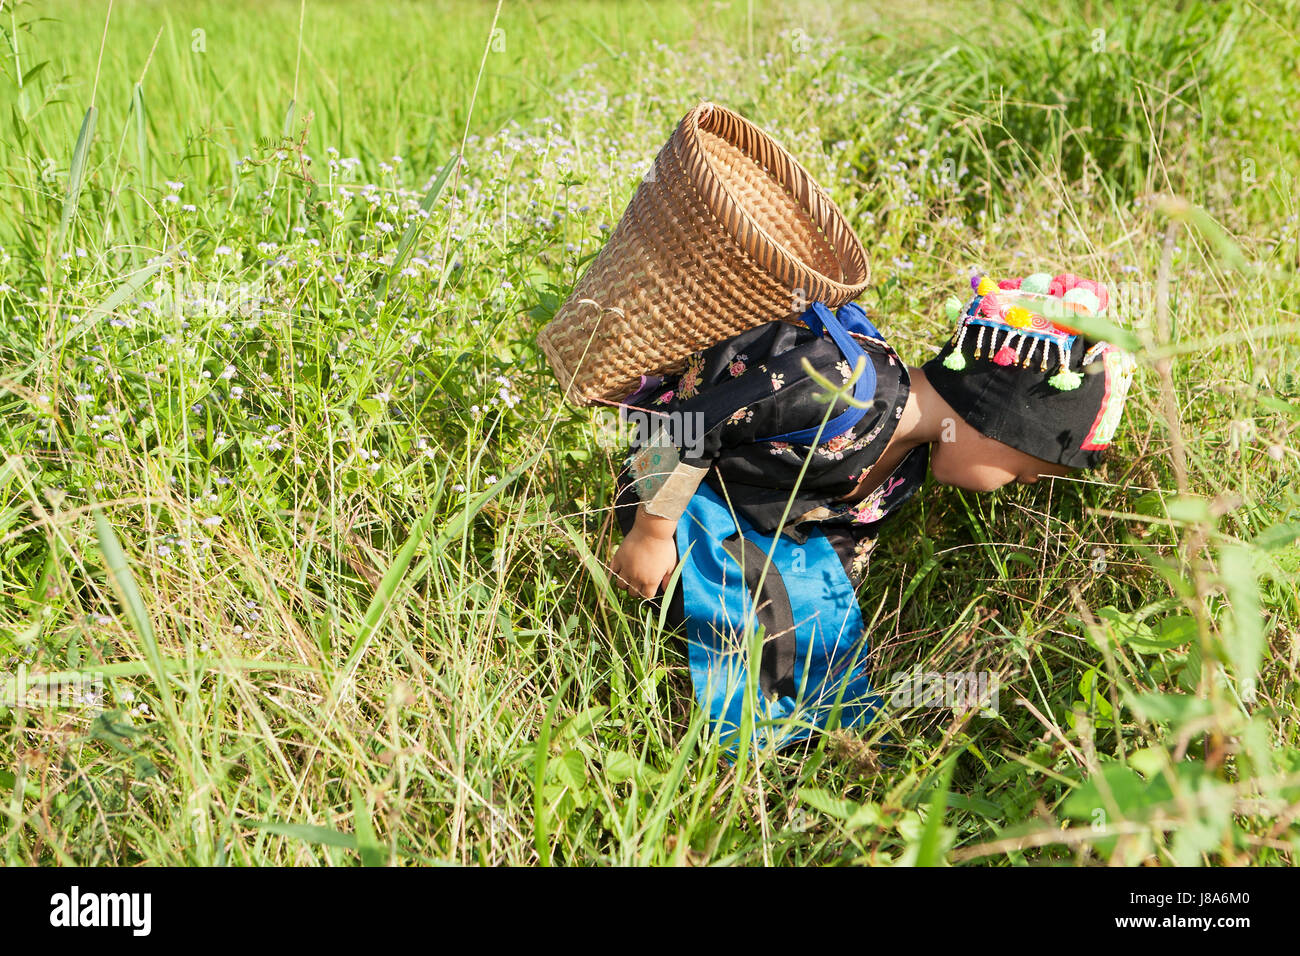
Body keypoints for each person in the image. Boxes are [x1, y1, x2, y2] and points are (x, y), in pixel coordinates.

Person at [607, 271, 1135, 754]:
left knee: (815, 627)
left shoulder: (904, 472)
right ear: (996, 419)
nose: (1028, 481)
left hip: (746, 528)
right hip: (673, 496)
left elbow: (836, 550)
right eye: (1036, 464)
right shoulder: (847, 388)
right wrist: (651, 534)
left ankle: (800, 733)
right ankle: (739, 723)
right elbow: (687, 426)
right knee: (748, 617)